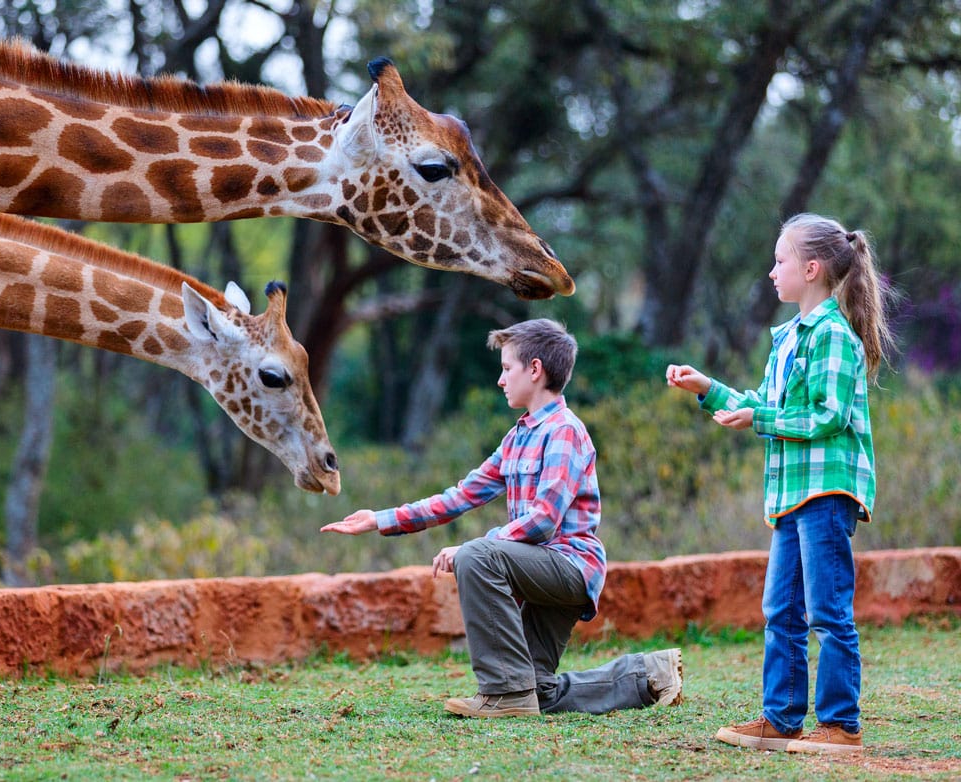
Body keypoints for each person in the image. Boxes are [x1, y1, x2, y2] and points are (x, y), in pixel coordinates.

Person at [321, 319, 683, 718]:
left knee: (478, 557)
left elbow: (544, 519)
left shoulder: (564, 431)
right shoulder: (518, 437)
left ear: (535, 369)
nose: (500, 379)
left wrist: (480, 546)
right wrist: (380, 519)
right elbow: (461, 496)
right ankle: (647, 675)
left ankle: (502, 694)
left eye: (507, 368)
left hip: (569, 567)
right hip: (541, 569)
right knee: (536, 690)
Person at [667, 213, 895, 754]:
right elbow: (764, 407)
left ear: (811, 269)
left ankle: (841, 726)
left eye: (780, 261)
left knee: (827, 612)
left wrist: (761, 420)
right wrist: (711, 390)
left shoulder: (836, 336)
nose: (772, 272)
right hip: (790, 495)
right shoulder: (789, 337)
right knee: (782, 611)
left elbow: (829, 416)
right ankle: (782, 718)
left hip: (826, 491)